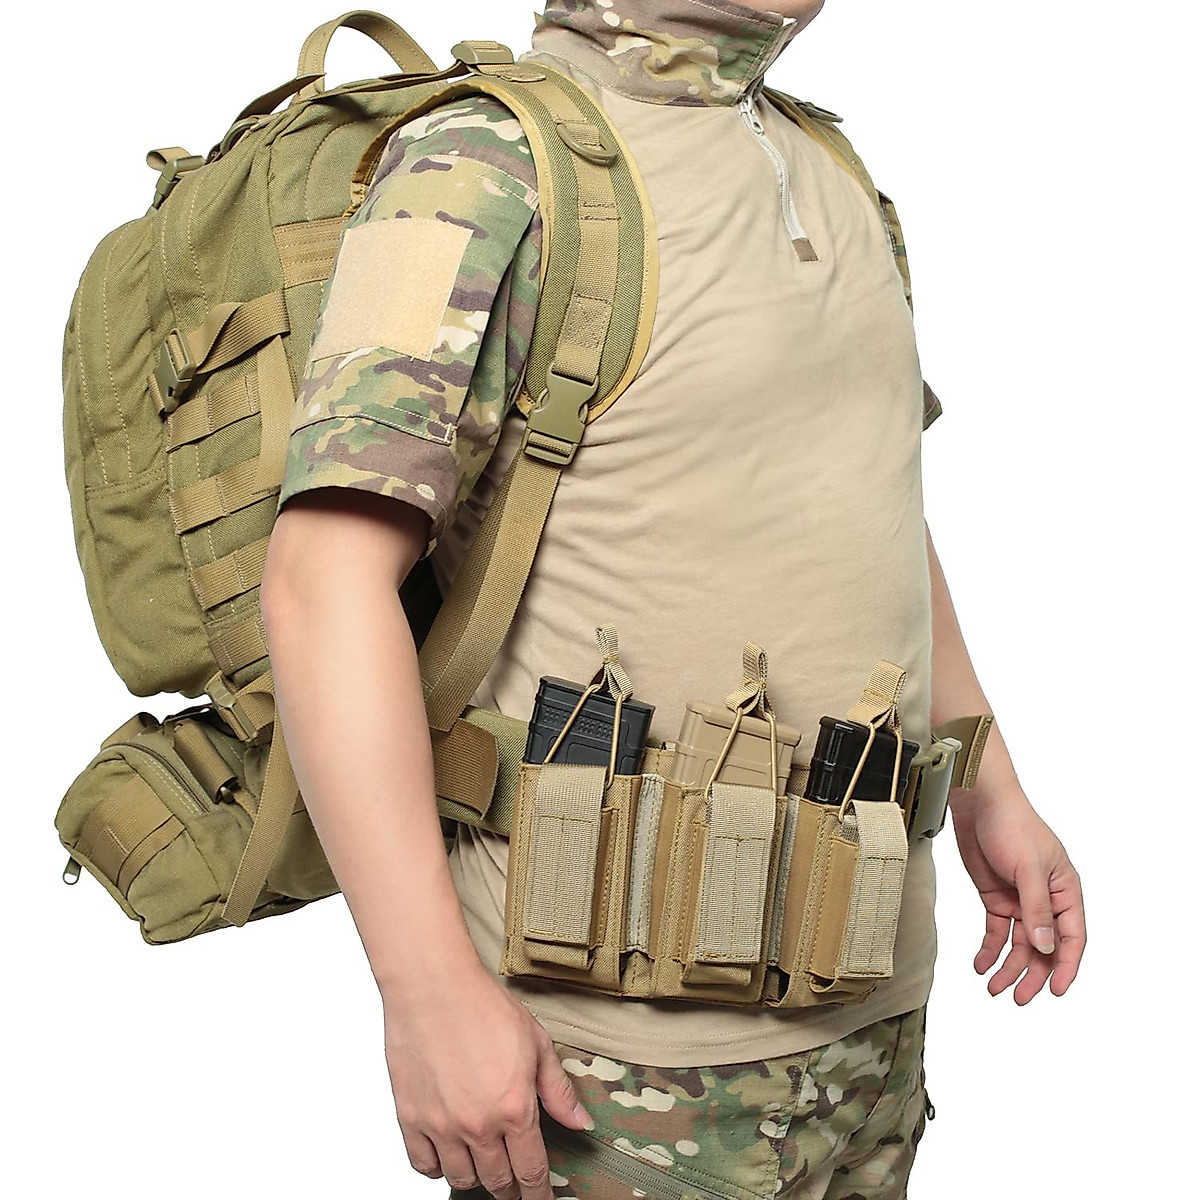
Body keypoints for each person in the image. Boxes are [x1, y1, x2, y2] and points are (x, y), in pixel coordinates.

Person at [260, 2, 1087, 1197]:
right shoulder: (483, 164)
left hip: (872, 1021)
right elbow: (321, 579)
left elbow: (873, 499)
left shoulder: (832, 167)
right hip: (609, 1071)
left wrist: (989, 783)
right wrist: (426, 992)